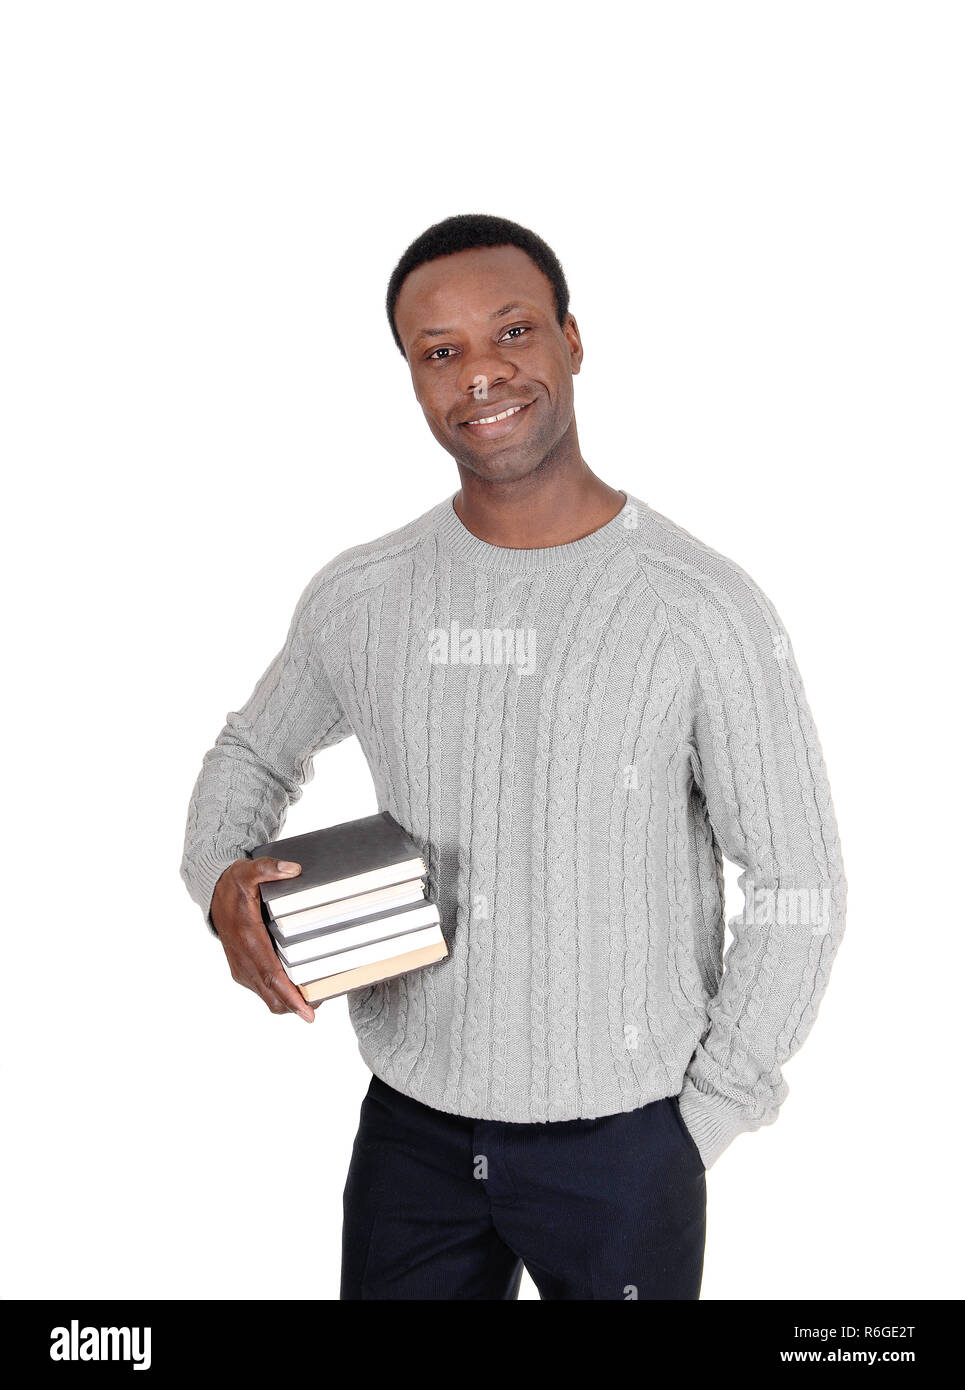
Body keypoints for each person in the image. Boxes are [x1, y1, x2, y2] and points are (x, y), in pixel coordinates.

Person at [180, 213, 847, 1300]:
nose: (479, 373)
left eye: (511, 332)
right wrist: (220, 880)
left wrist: (706, 1115)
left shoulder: (698, 605)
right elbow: (250, 754)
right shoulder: (364, 594)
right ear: (410, 378)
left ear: (571, 341)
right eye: (438, 351)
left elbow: (798, 882)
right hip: (411, 1133)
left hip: (627, 1147)